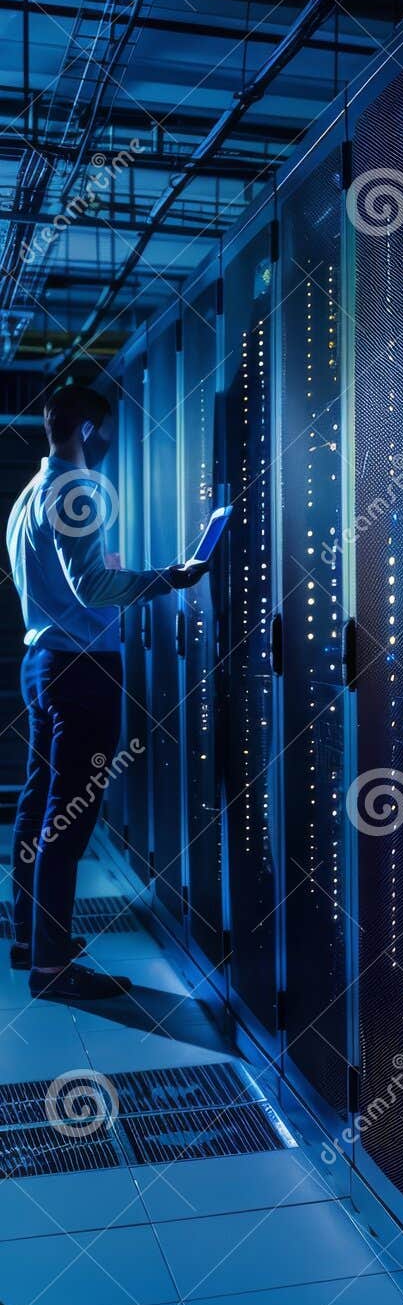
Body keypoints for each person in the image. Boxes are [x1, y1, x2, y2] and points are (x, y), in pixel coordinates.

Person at [6, 381, 210, 1001]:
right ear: (90, 432)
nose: (116, 443)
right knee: (68, 820)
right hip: (81, 673)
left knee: (40, 805)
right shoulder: (77, 489)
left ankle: (29, 941)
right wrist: (169, 580)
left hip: (43, 663)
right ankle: (51, 970)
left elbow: (63, 581)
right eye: (111, 430)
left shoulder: (26, 495)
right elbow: (92, 587)